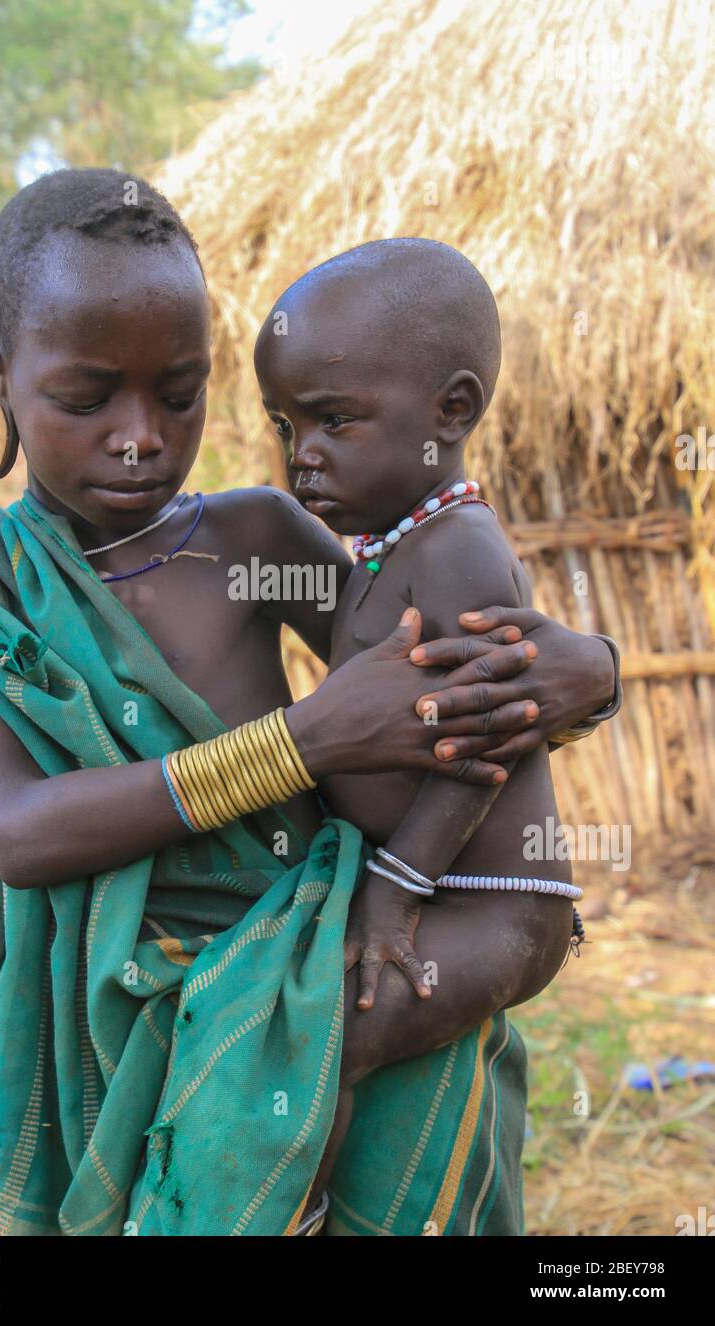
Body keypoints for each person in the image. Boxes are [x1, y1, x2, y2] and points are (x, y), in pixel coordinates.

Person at [0, 169, 621, 1236]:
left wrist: (589, 670)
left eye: (179, 393)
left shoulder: (254, 541)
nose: (139, 436)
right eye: (87, 398)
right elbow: (21, 833)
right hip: (112, 1023)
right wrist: (303, 739)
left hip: (328, 974)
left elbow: (450, 661)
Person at [255, 238, 615, 1228]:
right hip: (443, 890)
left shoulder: (454, 550)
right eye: (285, 424)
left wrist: (391, 890)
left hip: (495, 905)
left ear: (450, 412)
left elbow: (480, 749)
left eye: (331, 420)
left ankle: (307, 1216)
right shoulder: (385, 548)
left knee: (322, 1039)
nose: (302, 454)